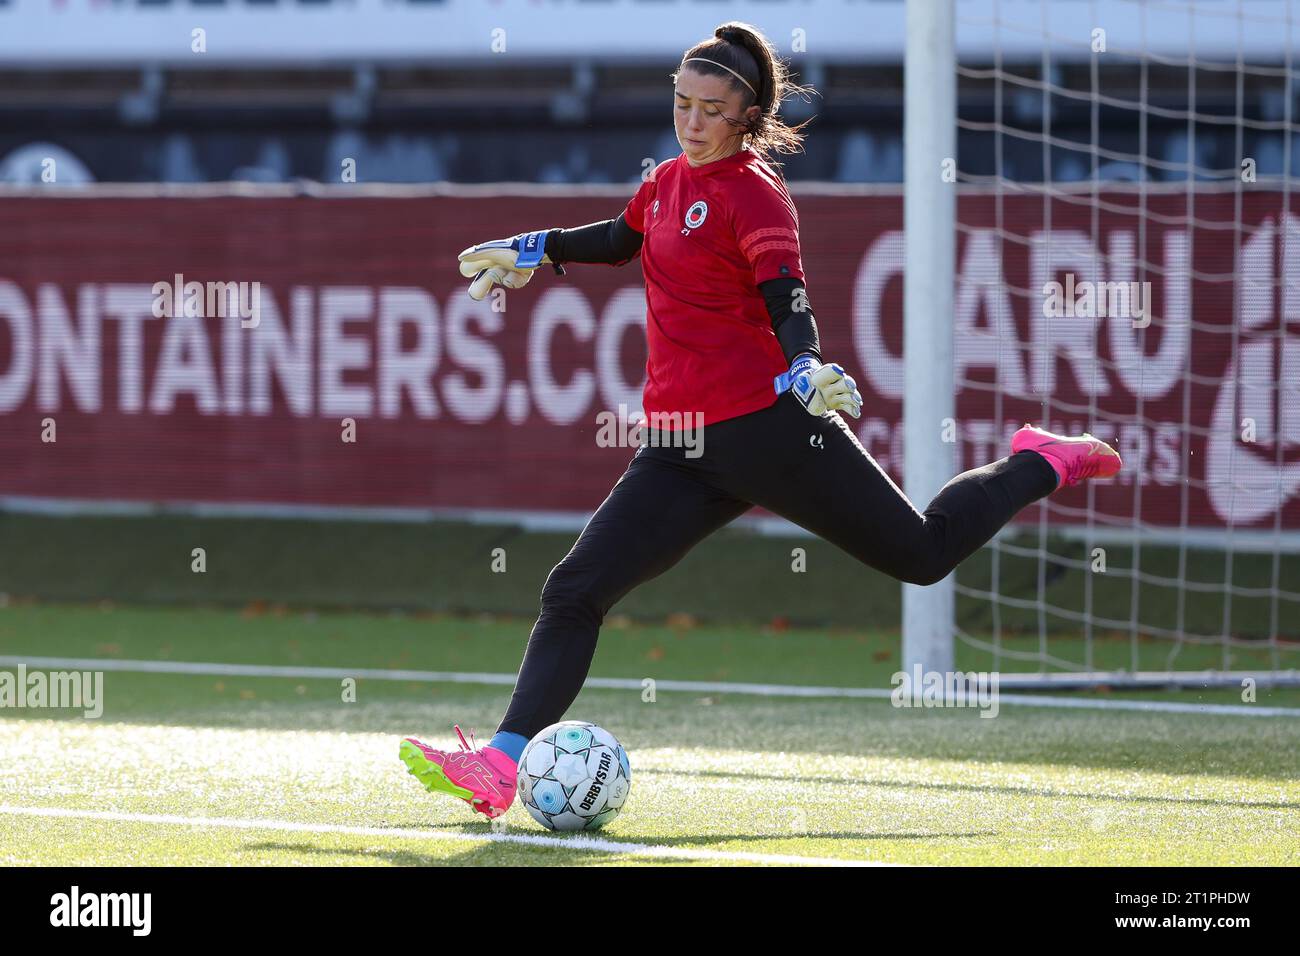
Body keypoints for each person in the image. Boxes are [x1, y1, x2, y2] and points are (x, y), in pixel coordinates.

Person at [399, 21, 1121, 820]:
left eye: (711, 109)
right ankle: (501, 765)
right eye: (681, 103)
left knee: (922, 553)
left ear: (746, 118)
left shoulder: (754, 192)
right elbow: (619, 238)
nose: (691, 121)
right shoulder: (666, 181)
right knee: (573, 589)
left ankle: (1040, 459)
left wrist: (807, 366)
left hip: (767, 429)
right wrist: (534, 248)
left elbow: (789, 297)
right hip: (678, 443)